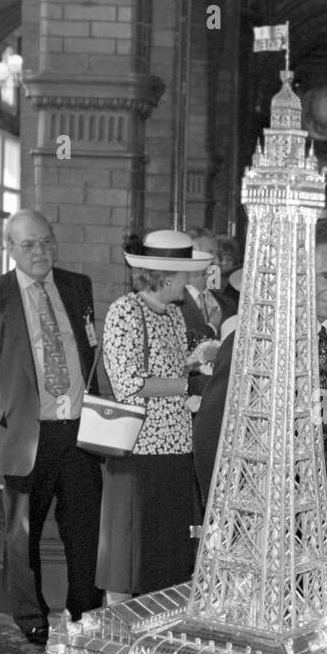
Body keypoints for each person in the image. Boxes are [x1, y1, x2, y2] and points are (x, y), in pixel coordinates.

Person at [0, 209, 103, 644]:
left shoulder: (78, 287)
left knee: (85, 527)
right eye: (28, 245)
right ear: (10, 249)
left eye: (46, 241)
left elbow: (89, 349)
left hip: (78, 430)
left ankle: (85, 610)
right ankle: (32, 615)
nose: (40, 251)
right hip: (26, 432)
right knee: (22, 532)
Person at [194, 221, 327, 529]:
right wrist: (220, 514)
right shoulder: (254, 338)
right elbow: (210, 430)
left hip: (318, 509)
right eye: (326, 276)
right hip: (255, 511)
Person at [96, 229, 212, 603]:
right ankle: (114, 636)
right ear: (165, 277)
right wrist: (187, 387)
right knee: (127, 559)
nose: (189, 280)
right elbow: (128, 382)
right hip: (137, 450)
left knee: (165, 555)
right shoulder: (125, 311)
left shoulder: (174, 315)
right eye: (184, 274)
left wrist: (195, 362)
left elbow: (170, 369)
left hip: (176, 449)